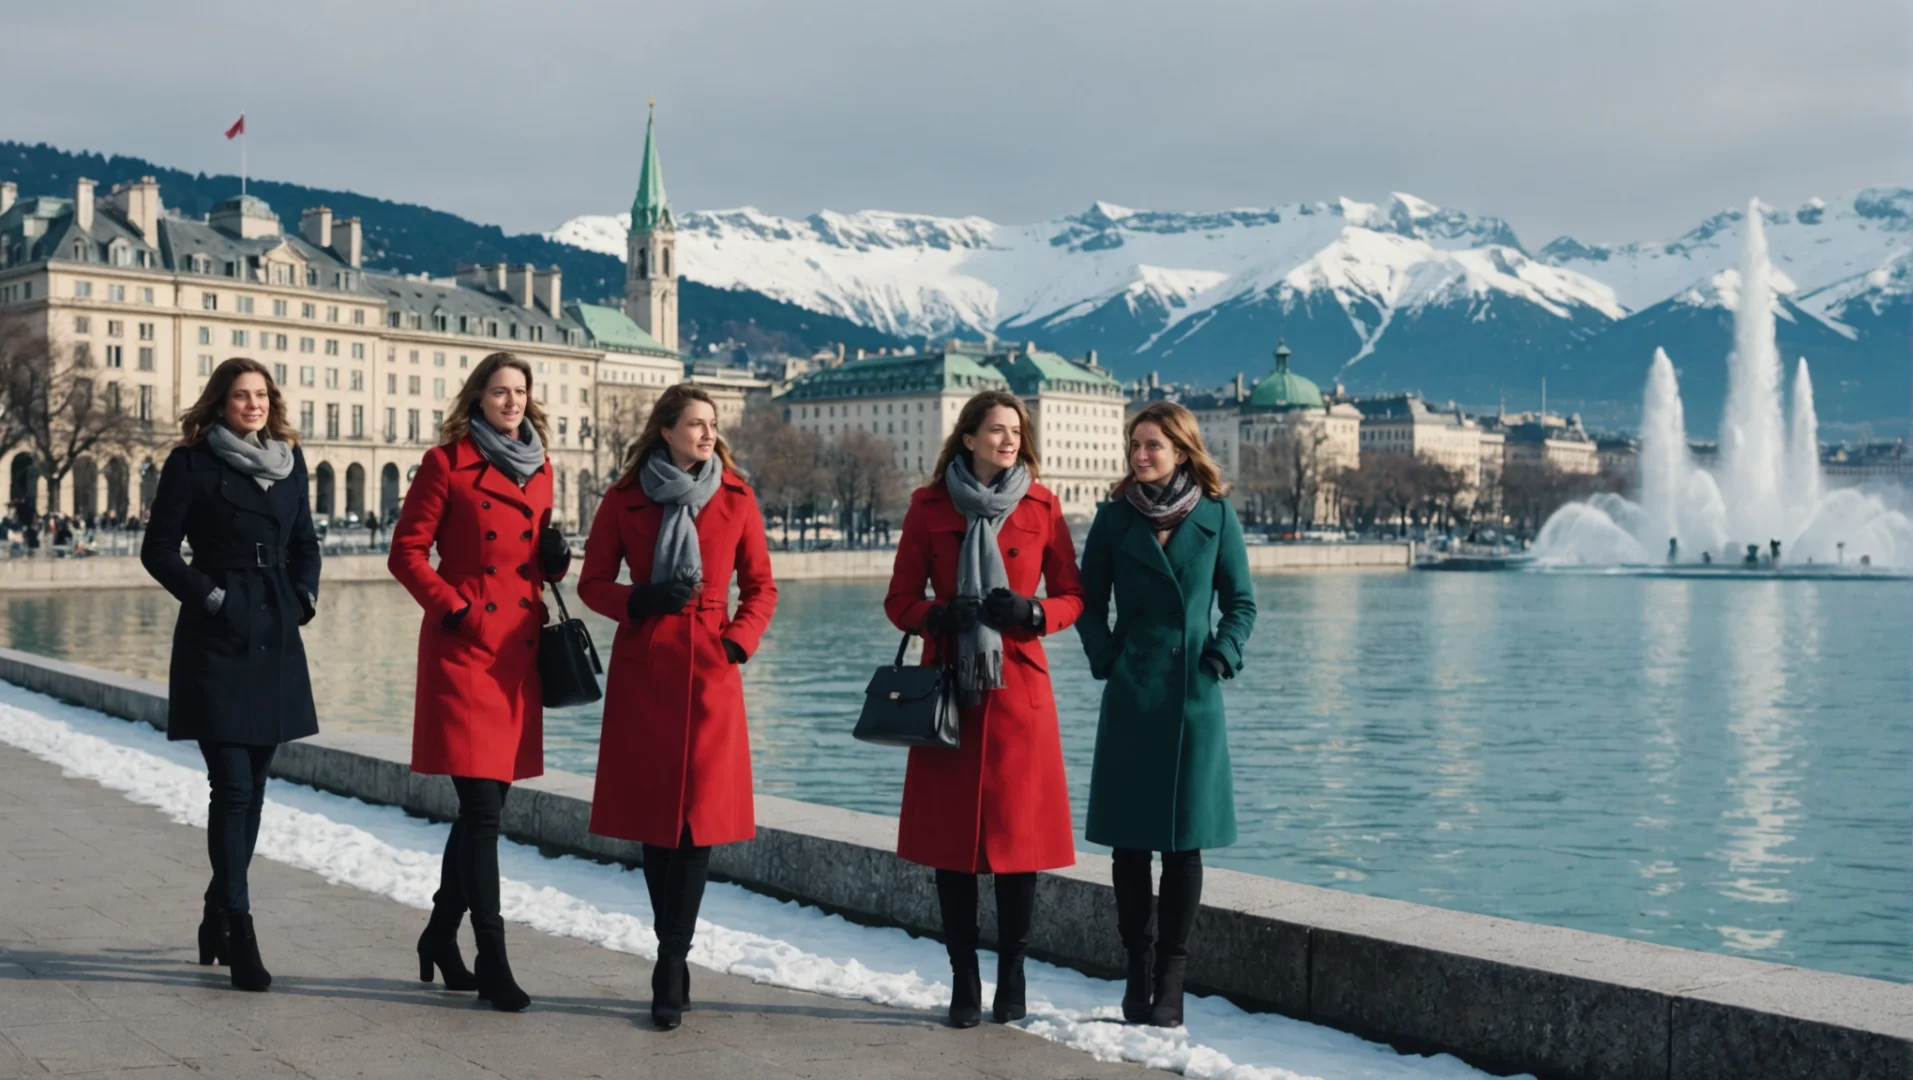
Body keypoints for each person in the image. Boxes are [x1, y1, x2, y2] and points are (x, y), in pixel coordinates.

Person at [578, 383, 778, 1031]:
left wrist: (738, 643)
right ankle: (673, 951)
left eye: (711, 424)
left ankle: (670, 959)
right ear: (664, 429)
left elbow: (761, 586)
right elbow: (592, 582)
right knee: (654, 824)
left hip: (711, 674)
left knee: (696, 825)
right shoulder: (624, 497)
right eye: (694, 423)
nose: (706, 433)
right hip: (645, 669)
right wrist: (639, 601)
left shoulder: (737, 497)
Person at [882, 389, 1083, 1029]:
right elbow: (899, 599)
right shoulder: (928, 505)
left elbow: (1074, 595)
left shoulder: (1044, 506)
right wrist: (941, 614)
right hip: (948, 691)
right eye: (996, 430)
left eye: (1016, 431)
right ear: (967, 437)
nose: (1009, 441)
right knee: (953, 848)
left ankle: (1014, 972)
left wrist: (1035, 613)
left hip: (1018, 690)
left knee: (1019, 847)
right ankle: (963, 979)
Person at [388, 351, 571, 1013]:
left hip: (515, 660)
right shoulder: (447, 464)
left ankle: (439, 934)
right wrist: (456, 607)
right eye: (499, 391)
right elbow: (405, 552)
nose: (512, 401)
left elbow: (535, 562)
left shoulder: (543, 467)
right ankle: (492, 956)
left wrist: (555, 560)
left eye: (520, 392)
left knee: (480, 813)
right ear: (478, 398)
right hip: (465, 653)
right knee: (485, 814)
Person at [140, 357, 320, 993]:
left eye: (262, 395)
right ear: (219, 402)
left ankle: (215, 913)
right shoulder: (191, 464)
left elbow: (307, 542)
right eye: (242, 396)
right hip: (217, 636)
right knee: (234, 788)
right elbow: (157, 551)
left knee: (259, 787)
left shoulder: (290, 461)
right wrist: (212, 598)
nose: (254, 404)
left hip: (276, 632)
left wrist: (304, 598)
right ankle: (240, 926)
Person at [1077, 401, 1255, 1028]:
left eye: (1153, 445)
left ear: (1182, 450)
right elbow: (1087, 602)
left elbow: (1242, 604)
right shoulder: (1113, 518)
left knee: (1184, 848)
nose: (1141, 455)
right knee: (1130, 847)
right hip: (1132, 694)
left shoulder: (1216, 516)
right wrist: (1108, 662)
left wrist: (1219, 659)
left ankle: (1172, 980)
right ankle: (1136, 968)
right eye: (1135, 445)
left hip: (1192, 699)